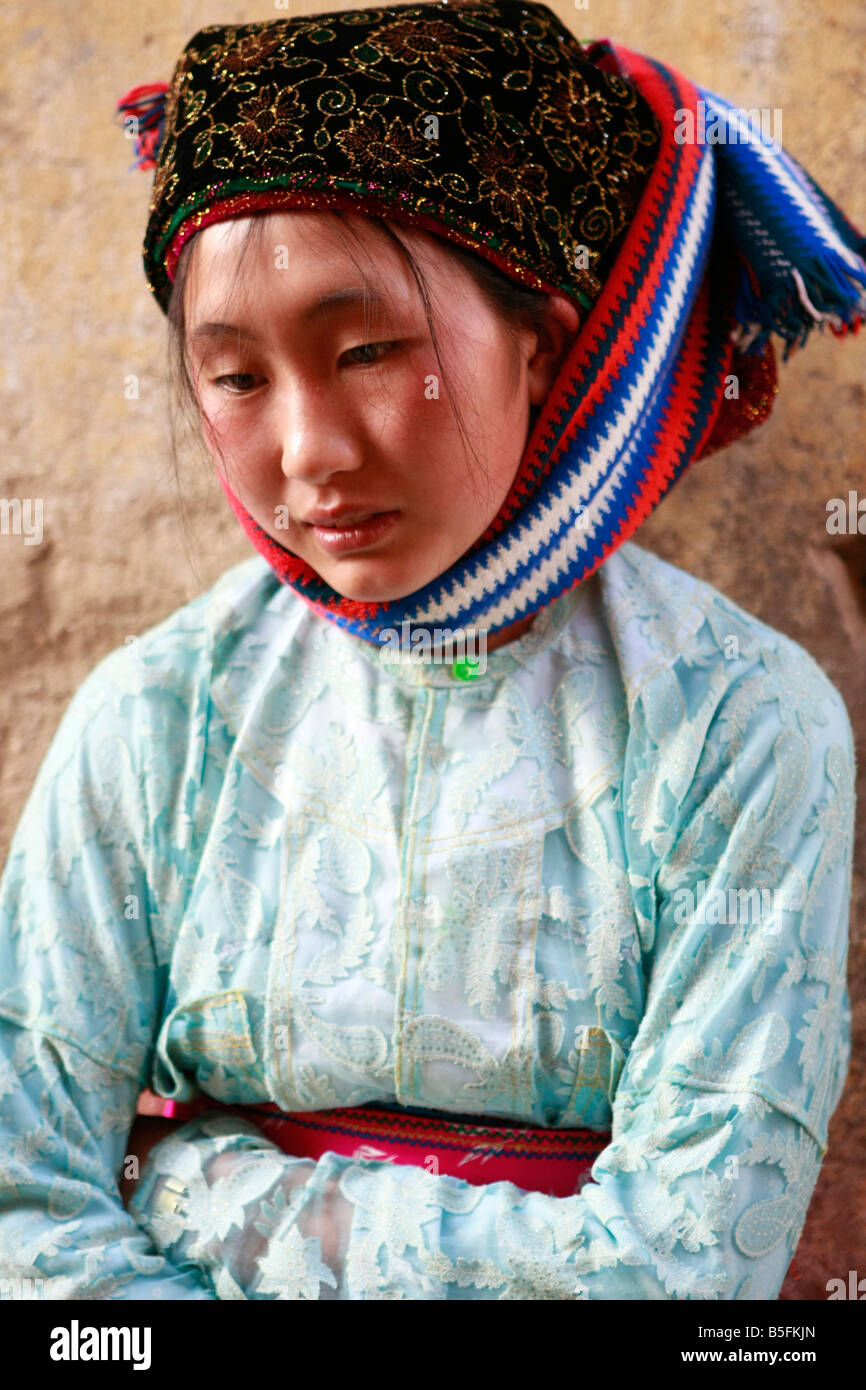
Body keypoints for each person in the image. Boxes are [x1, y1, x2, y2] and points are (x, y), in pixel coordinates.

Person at [0, 0, 862, 1300]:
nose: (308, 453)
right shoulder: (154, 721)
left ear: (542, 347)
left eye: (365, 351)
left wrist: (198, 1182)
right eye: (234, 376)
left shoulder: (739, 724)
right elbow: (24, 1211)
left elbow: (678, 1273)